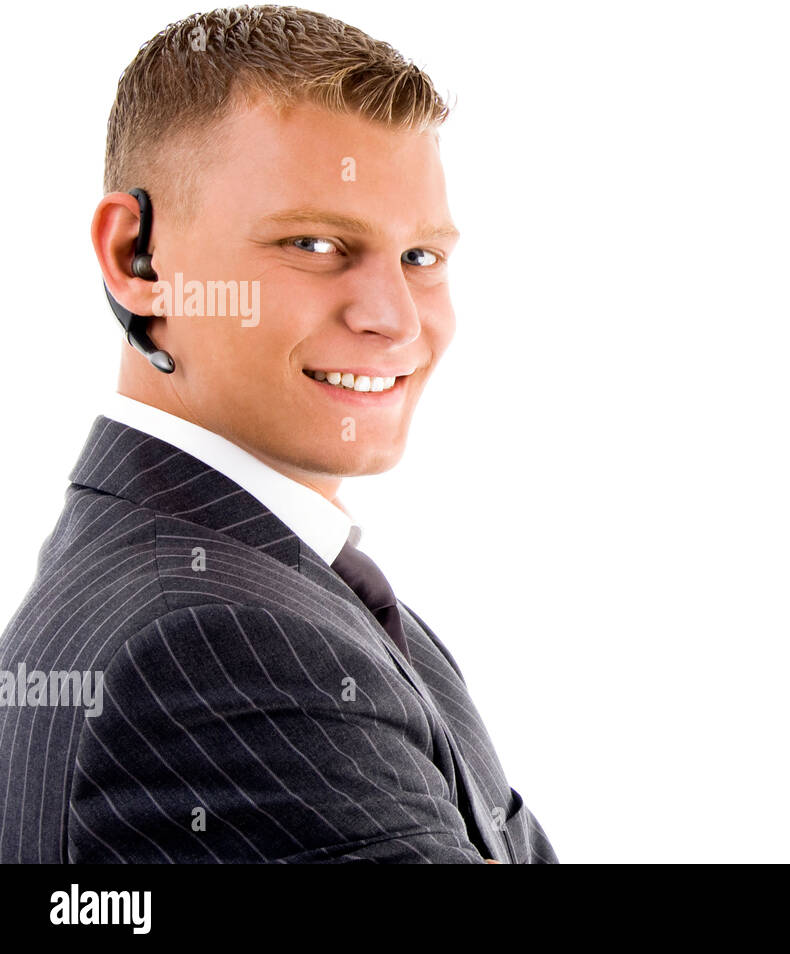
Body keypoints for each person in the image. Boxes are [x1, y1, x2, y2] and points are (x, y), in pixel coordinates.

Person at [0, 4, 557, 863]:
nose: (393, 319)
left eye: (421, 259)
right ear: (137, 259)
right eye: (315, 242)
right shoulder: (219, 650)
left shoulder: (302, 596)